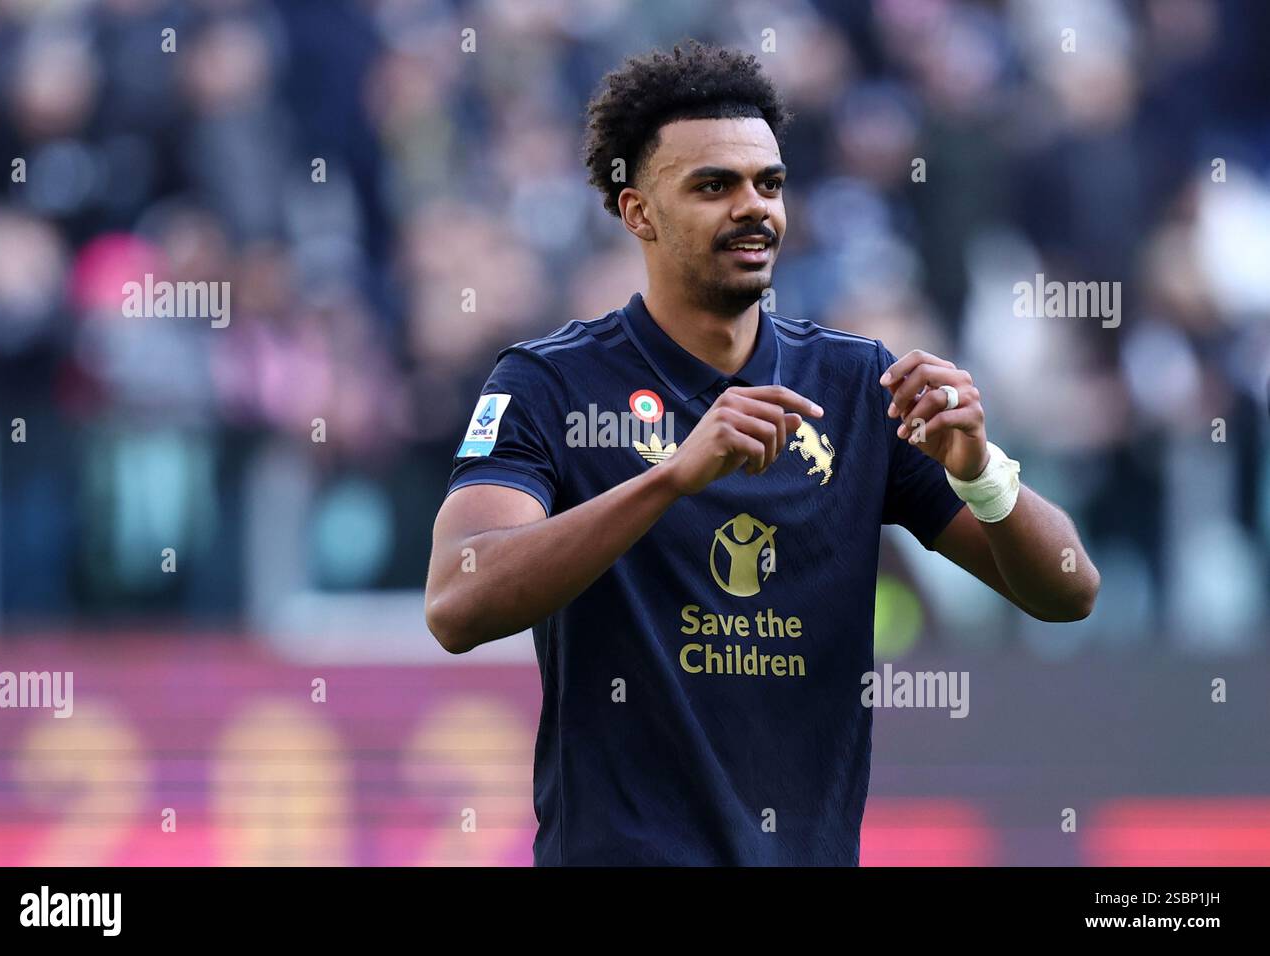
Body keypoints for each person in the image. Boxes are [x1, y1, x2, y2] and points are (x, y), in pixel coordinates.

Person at [424, 41, 1099, 865]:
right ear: (638, 212)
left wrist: (980, 473)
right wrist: (670, 479)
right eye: (714, 186)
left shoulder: (856, 385)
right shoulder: (548, 384)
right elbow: (457, 603)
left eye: (768, 184)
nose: (754, 208)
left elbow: (1069, 594)